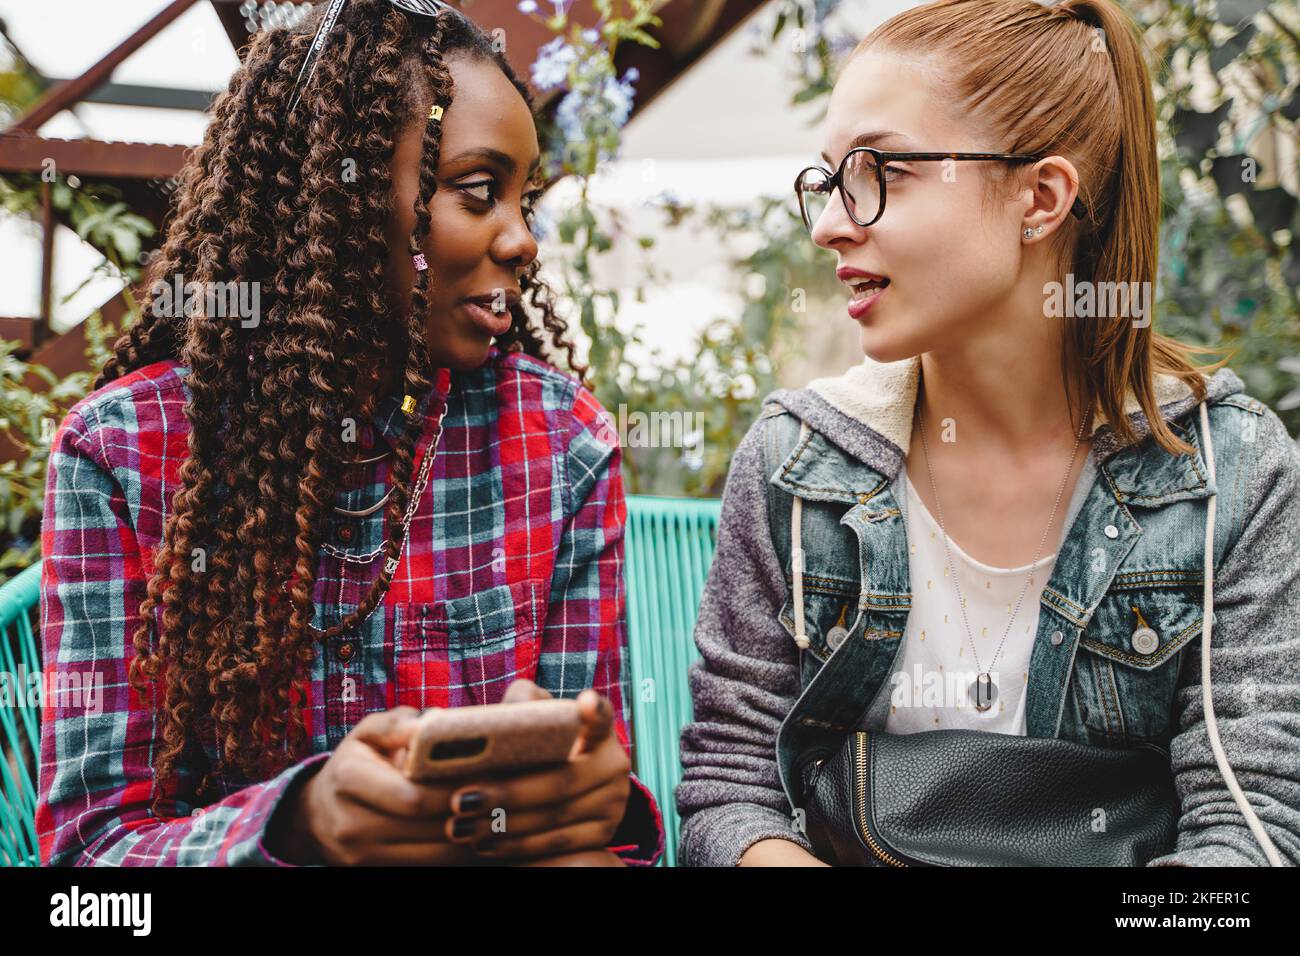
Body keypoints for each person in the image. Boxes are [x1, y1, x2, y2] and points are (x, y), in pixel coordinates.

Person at [38, 0, 662, 867]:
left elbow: (602, 828)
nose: (522, 239)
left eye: (526, 197)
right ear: (346, 188)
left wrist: (590, 804)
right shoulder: (123, 454)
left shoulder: (562, 446)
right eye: (480, 191)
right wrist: (298, 824)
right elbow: (88, 868)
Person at [676, 0, 1299, 867]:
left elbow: (1254, 826)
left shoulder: (1230, 472)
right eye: (828, 179)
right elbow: (730, 787)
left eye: (878, 169)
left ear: (1039, 198)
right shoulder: (796, 466)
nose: (828, 225)